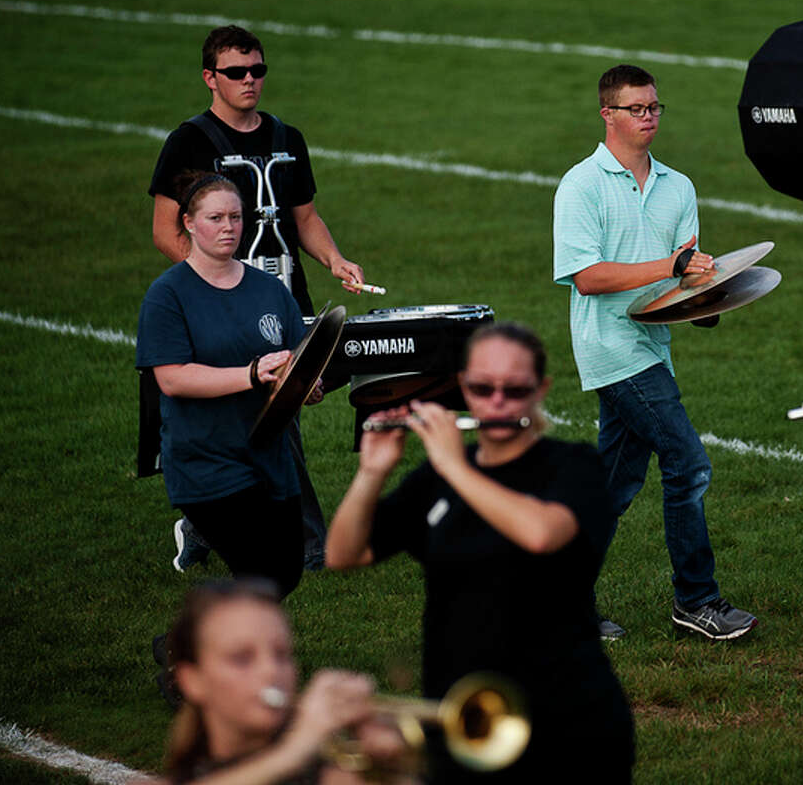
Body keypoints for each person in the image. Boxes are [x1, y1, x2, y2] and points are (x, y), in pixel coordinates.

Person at [325, 322, 635, 784]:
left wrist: (452, 464)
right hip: (464, 722)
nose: (497, 402)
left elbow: (539, 535)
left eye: (514, 390)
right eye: (482, 388)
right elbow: (344, 553)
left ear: (540, 390)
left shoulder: (573, 466)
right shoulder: (437, 478)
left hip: (569, 724)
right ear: (463, 387)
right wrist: (372, 472)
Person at [552, 64, 757, 641]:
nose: (648, 118)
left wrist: (712, 295)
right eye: (636, 109)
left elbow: (681, 289)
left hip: (652, 346)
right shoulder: (581, 185)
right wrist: (669, 266)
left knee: (612, 486)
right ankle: (697, 600)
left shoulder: (679, 187)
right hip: (609, 347)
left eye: (654, 108)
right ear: (607, 115)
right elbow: (586, 277)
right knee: (688, 463)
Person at [149, 25, 363, 566]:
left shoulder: (286, 138)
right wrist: (217, 282)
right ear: (209, 78)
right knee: (274, 406)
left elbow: (305, 217)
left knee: (297, 394)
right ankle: (307, 543)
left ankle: (204, 529)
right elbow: (164, 230)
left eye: (258, 70)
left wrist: (334, 259)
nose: (250, 81)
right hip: (220, 306)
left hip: (285, 296)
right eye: (236, 72)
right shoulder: (189, 142)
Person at [137, 172, 319, 599]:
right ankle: (197, 650)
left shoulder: (271, 290)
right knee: (263, 575)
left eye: (236, 217)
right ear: (188, 223)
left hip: (270, 456)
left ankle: (187, 649)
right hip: (206, 460)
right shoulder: (168, 295)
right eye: (215, 218)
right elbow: (173, 378)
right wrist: (252, 374)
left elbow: (297, 361)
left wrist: (305, 386)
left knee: (285, 574)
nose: (228, 228)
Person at [144, 579, 408, 785]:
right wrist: (300, 744)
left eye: (282, 655)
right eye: (242, 658)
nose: (272, 671)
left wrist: (392, 771)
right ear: (193, 681)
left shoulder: (332, 775)